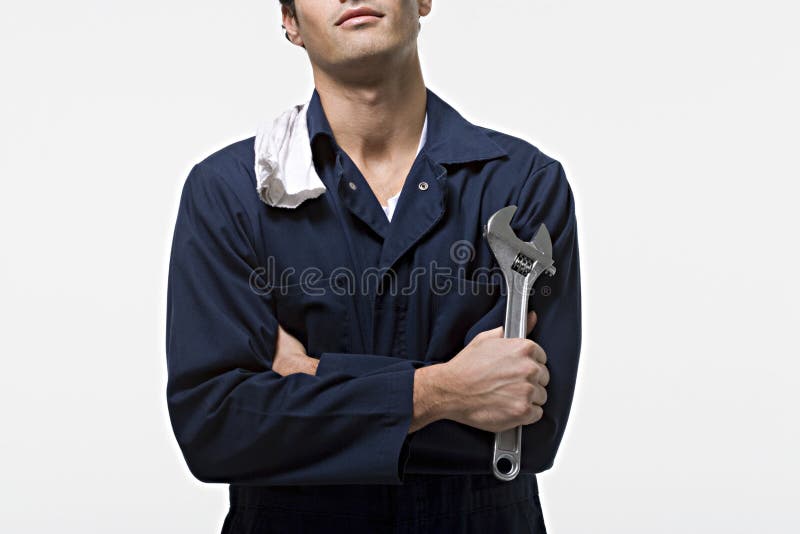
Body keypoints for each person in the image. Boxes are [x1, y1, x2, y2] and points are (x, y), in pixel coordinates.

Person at [165, 1, 582, 532]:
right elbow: (217, 431)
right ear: (291, 22)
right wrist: (444, 391)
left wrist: (309, 376)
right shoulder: (228, 193)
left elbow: (526, 434)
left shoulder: (523, 184)